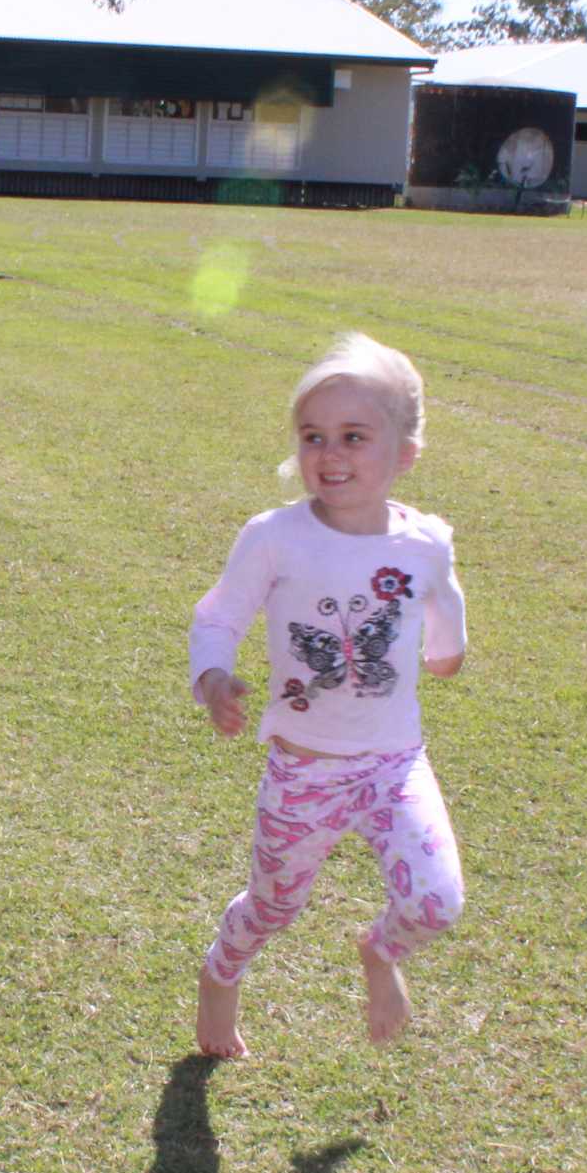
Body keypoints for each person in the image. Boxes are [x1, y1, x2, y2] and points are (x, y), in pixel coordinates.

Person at [187, 332, 468, 1058]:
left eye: (353, 436)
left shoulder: (425, 542)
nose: (329, 454)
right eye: (314, 436)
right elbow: (218, 616)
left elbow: (443, 599)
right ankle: (221, 976)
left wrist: (447, 650)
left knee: (437, 903)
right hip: (303, 769)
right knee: (274, 908)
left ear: (404, 453)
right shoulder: (275, 537)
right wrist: (213, 676)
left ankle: (379, 952)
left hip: (393, 767)